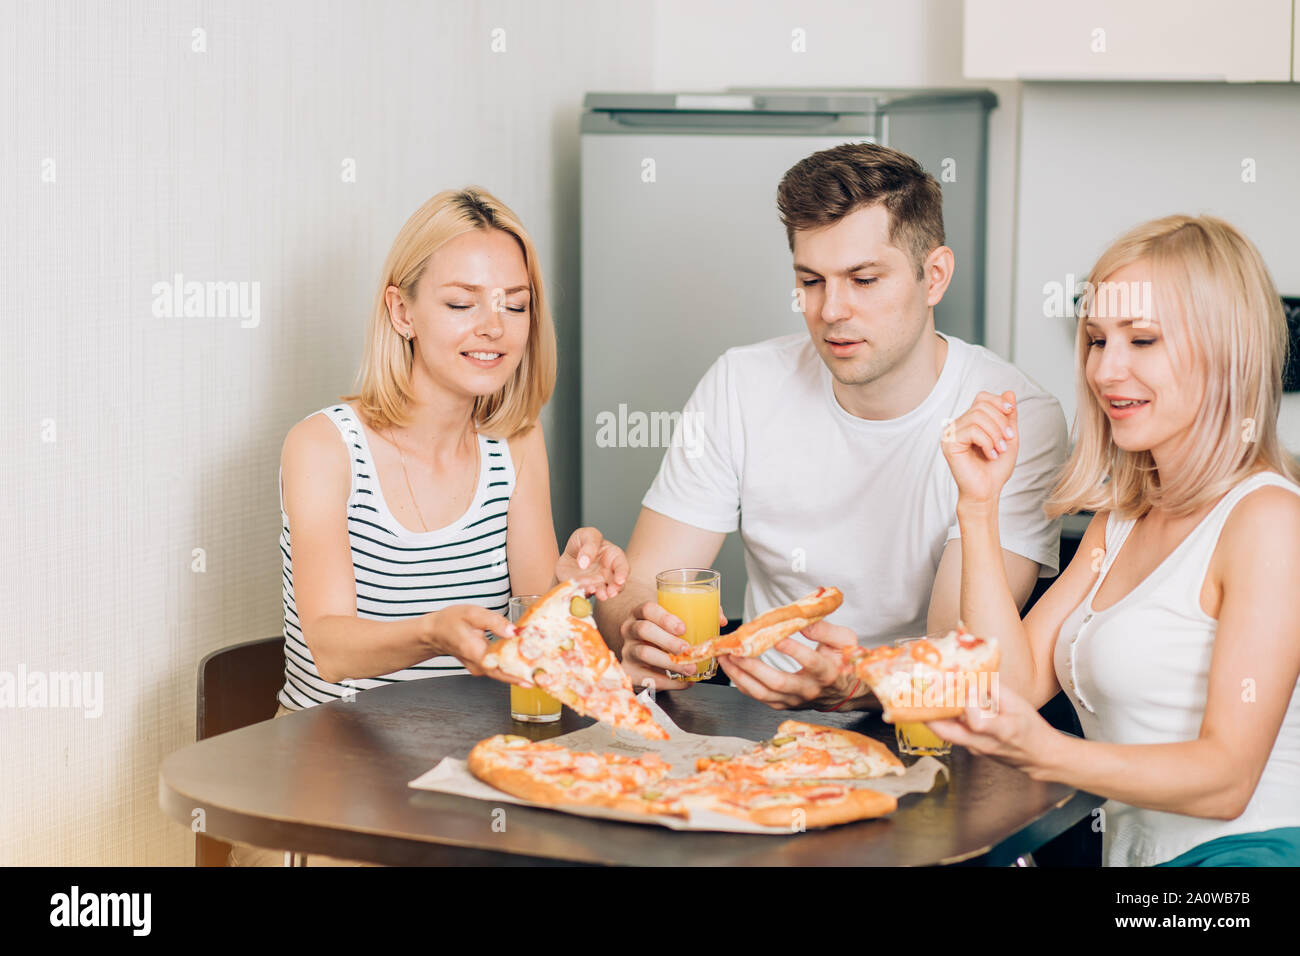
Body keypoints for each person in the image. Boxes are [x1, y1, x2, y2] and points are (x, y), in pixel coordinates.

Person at [596, 141, 1068, 711]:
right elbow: (644, 580)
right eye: (812, 281)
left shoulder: (1016, 419)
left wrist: (852, 685)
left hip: (923, 726)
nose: (831, 311)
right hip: (759, 718)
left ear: (935, 275)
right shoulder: (741, 382)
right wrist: (639, 630)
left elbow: (959, 653)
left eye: (864, 280)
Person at [230, 187, 626, 866]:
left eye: (515, 303)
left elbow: (537, 634)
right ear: (402, 310)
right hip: (329, 756)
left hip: (468, 757)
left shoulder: (515, 442)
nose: (494, 327)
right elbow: (332, 647)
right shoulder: (325, 447)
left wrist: (571, 583)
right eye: (461, 302)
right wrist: (431, 631)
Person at [930, 214, 1300, 866]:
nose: (1107, 369)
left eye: (1143, 340)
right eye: (1097, 340)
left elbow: (1227, 782)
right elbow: (1011, 683)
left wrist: (1045, 752)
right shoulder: (1123, 520)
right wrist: (979, 507)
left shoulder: (1268, 520)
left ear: (1226, 352)